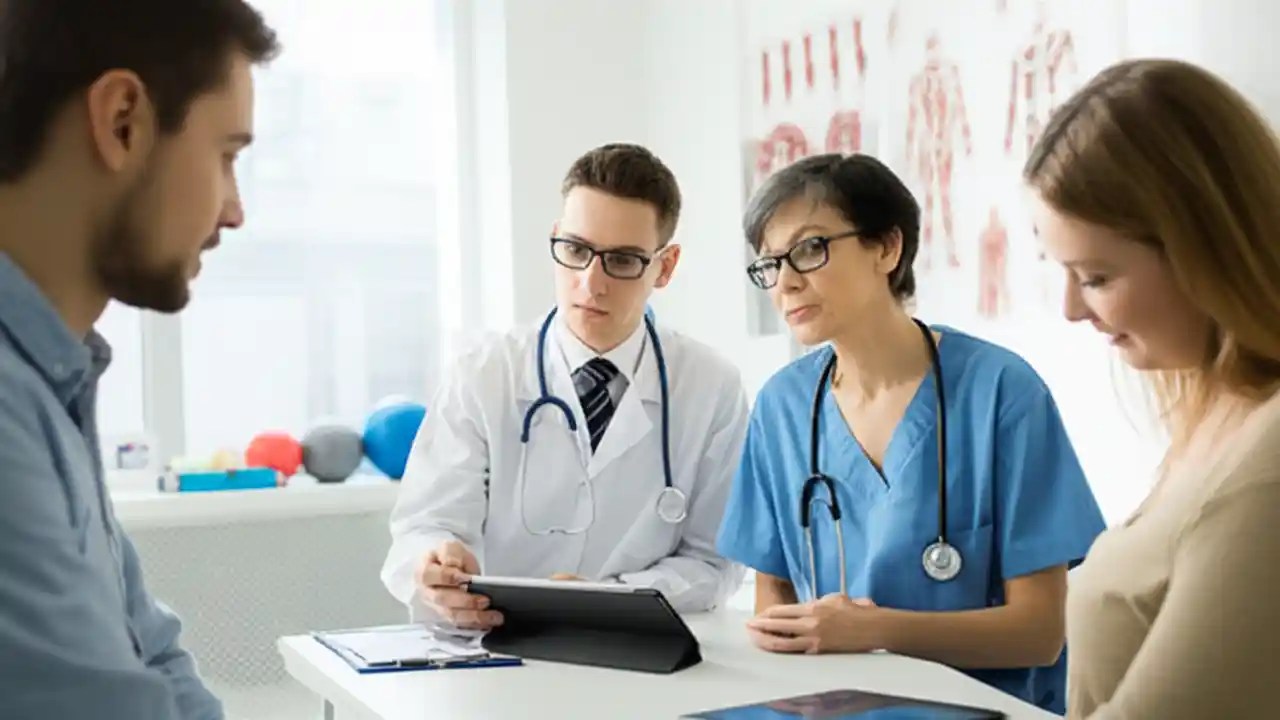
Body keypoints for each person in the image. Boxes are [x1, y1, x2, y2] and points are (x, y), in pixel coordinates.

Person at [715, 153, 1106, 714]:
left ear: (887, 248)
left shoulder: (1002, 392)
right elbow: (773, 603)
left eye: (809, 249)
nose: (786, 283)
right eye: (770, 264)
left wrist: (872, 630)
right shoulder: (783, 407)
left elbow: (1041, 632)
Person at [0, 1, 278, 718]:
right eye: (226, 156)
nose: (234, 209)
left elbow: (149, 651)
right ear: (123, 120)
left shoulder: (49, 380)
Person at [381, 143, 749, 628]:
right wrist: (435, 564)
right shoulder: (483, 374)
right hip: (494, 646)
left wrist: (609, 600)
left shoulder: (711, 388)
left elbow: (714, 563)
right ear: (556, 238)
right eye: (575, 250)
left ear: (666, 266)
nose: (590, 283)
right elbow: (427, 525)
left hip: (636, 648)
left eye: (621, 261)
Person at [1028, 59, 1280, 719]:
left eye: (1096, 276)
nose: (1072, 311)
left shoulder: (1267, 461)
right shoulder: (1217, 410)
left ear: (1207, 248)